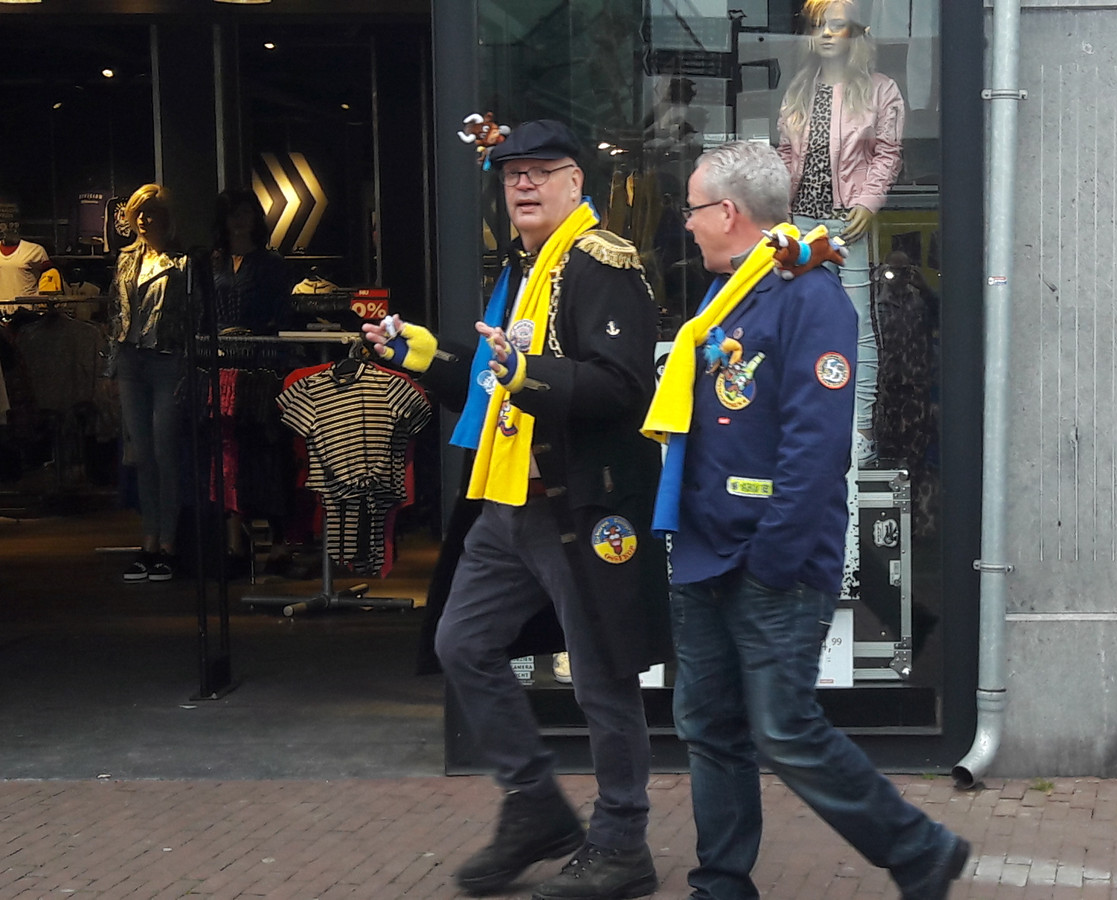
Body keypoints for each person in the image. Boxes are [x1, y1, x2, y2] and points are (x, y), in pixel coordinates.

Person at [644, 139, 968, 900]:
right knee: (708, 728)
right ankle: (720, 883)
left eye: (691, 209)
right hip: (703, 551)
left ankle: (918, 847)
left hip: (767, 560)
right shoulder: (727, 297)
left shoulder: (810, 296)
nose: (685, 225)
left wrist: (774, 557)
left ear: (727, 212)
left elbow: (817, 444)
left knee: (785, 728)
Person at [363, 120, 668, 900]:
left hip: (579, 500)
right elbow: (491, 376)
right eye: (511, 176)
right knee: (463, 642)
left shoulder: (603, 264)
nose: (523, 185)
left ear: (576, 182)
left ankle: (622, 841)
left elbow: (624, 387)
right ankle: (536, 806)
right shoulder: (528, 264)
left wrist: (528, 371)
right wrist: (414, 352)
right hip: (509, 502)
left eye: (540, 171)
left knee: (602, 678)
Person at [776, 0, 905, 458]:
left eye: (837, 26)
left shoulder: (878, 90)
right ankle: (807, 422)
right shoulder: (798, 89)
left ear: (855, 34)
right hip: (801, 221)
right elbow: (787, 156)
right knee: (800, 320)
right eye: (818, 26)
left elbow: (887, 154)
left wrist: (869, 202)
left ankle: (862, 431)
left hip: (846, 220)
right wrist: (781, 213)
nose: (826, 34)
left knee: (855, 325)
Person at [110, 184, 193, 584]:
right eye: (138, 213)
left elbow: (191, 318)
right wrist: (112, 367)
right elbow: (116, 314)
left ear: (165, 216)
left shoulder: (182, 262)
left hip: (166, 360)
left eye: (150, 212)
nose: (143, 219)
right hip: (131, 360)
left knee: (164, 453)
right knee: (141, 455)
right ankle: (148, 542)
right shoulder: (126, 259)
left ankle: (169, 544)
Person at [210, 189, 290, 334]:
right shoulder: (213, 262)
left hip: (259, 345)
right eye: (232, 213)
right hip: (218, 346)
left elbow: (280, 313)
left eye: (245, 212)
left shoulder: (270, 263)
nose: (239, 219)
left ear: (255, 216)